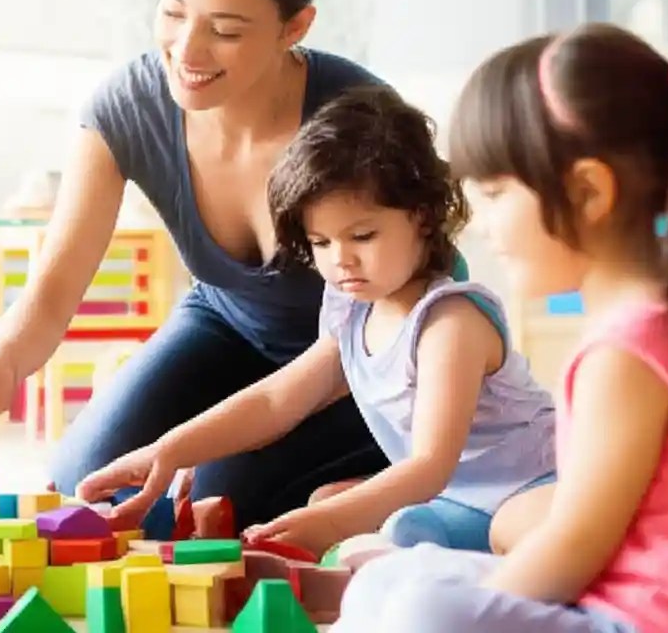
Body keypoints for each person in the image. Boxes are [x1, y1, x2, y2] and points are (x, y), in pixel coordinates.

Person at [0, 0, 393, 532]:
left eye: (225, 31)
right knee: (90, 486)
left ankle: (378, 481)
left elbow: (402, 315)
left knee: (214, 504)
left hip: (363, 355)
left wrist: (202, 444)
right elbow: (51, 294)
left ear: (295, 26)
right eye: (173, 12)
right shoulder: (125, 111)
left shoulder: (359, 118)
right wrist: (3, 356)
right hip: (229, 327)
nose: (188, 51)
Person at [334, 24, 668, 632]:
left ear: (588, 192)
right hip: (613, 596)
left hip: (644, 621)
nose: (481, 223)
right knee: (387, 582)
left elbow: (573, 551)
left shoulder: (626, 354)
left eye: (493, 193)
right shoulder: (662, 317)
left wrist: (467, 599)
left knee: (422, 609)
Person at [81, 87, 555, 556]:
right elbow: (276, 401)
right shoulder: (354, 309)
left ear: (425, 218)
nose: (341, 259)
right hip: (456, 496)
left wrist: (326, 524)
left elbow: (430, 463)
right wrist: (167, 451)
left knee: (401, 533)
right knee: (345, 508)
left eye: (363, 236)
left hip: (535, 486)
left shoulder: (449, 323)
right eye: (322, 243)